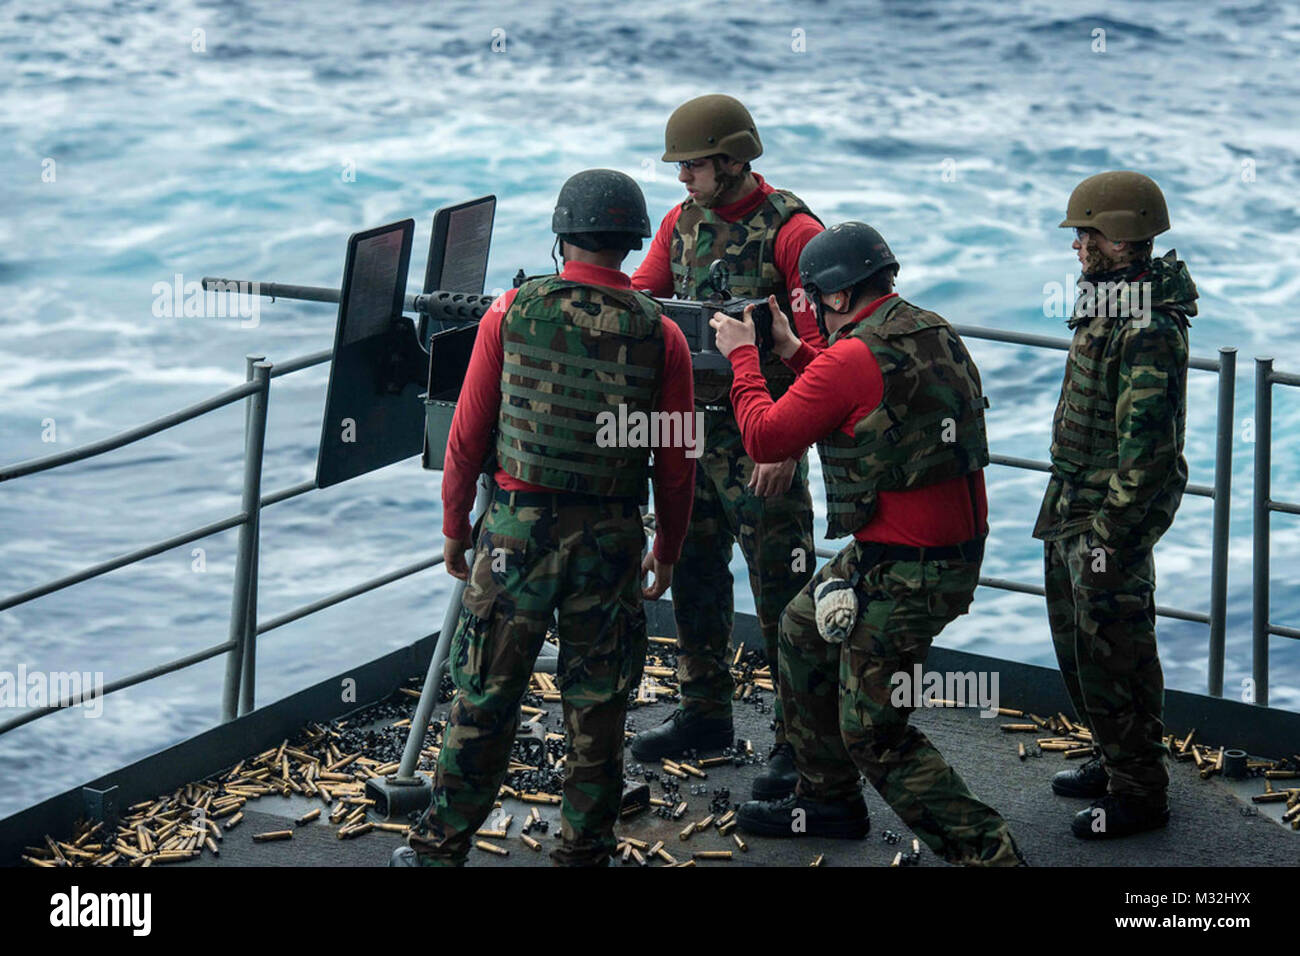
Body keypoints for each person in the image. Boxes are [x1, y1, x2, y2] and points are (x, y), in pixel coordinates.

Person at [397, 169, 696, 866]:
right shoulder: (663, 336)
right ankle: (583, 852)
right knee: (598, 707)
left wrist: (453, 526)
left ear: (561, 236)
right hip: (613, 538)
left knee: (483, 696)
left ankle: (438, 850)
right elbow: (678, 463)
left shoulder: (511, 310)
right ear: (631, 240)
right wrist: (670, 549)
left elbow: (468, 434)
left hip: (514, 533)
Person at [709, 222, 1023, 865]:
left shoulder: (852, 357)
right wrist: (793, 348)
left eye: (821, 302)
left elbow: (767, 437)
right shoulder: (925, 328)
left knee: (875, 733)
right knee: (801, 629)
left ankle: (991, 856)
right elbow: (858, 397)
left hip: (914, 569)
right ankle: (827, 799)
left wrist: (745, 355)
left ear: (841, 298)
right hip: (925, 546)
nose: (820, 312)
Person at [628, 94, 824, 802]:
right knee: (696, 574)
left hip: (761, 437)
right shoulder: (681, 223)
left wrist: (788, 443)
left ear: (734, 159)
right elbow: (644, 300)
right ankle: (704, 712)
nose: (682, 177)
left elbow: (823, 353)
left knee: (782, 592)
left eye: (693, 164)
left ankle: (800, 745)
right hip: (688, 433)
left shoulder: (793, 234)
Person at [1036, 170, 1196, 840]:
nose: (1078, 244)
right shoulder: (1110, 301)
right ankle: (1113, 754)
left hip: (1108, 514)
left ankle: (1139, 792)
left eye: (1089, 232)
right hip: (1076, 502)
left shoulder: (1148, 327)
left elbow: (1149, 452)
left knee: (1116, 650)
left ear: (1123, 238)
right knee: (1079, 644)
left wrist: (1109, 533)